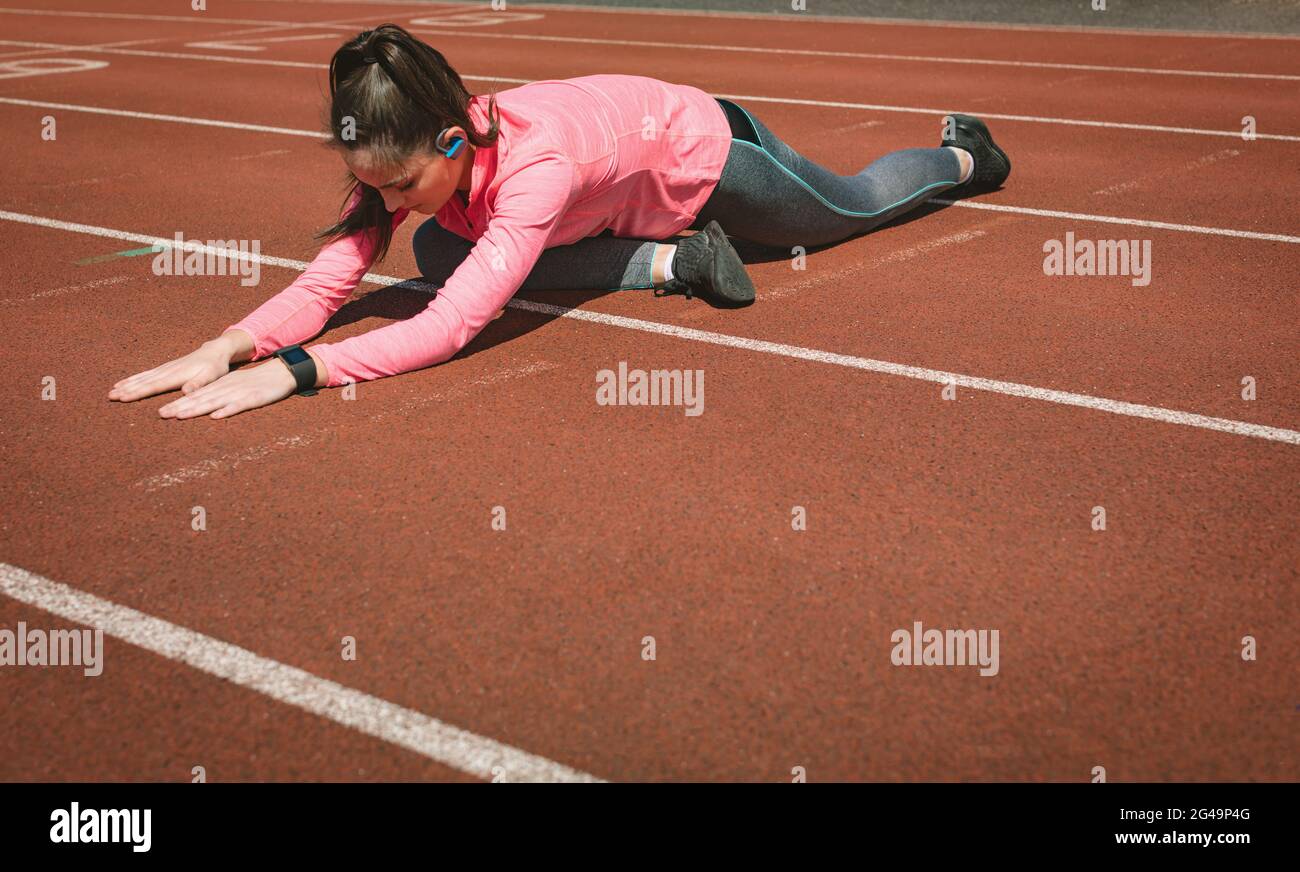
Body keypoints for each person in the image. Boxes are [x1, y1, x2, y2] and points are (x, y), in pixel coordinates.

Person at [108, 24, 1009, 418]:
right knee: (433, 240)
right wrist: (228, 344)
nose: (379, 201)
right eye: (367, 183)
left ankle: (967, 156)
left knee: (849, 209)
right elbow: (334, 272)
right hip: (602, 206)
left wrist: (303, 372)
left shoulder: (535, 170)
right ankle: (672, 266)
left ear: (455, 138)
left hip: (706, 155)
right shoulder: (408, 155)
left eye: (399, 180)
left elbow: (455, 325)